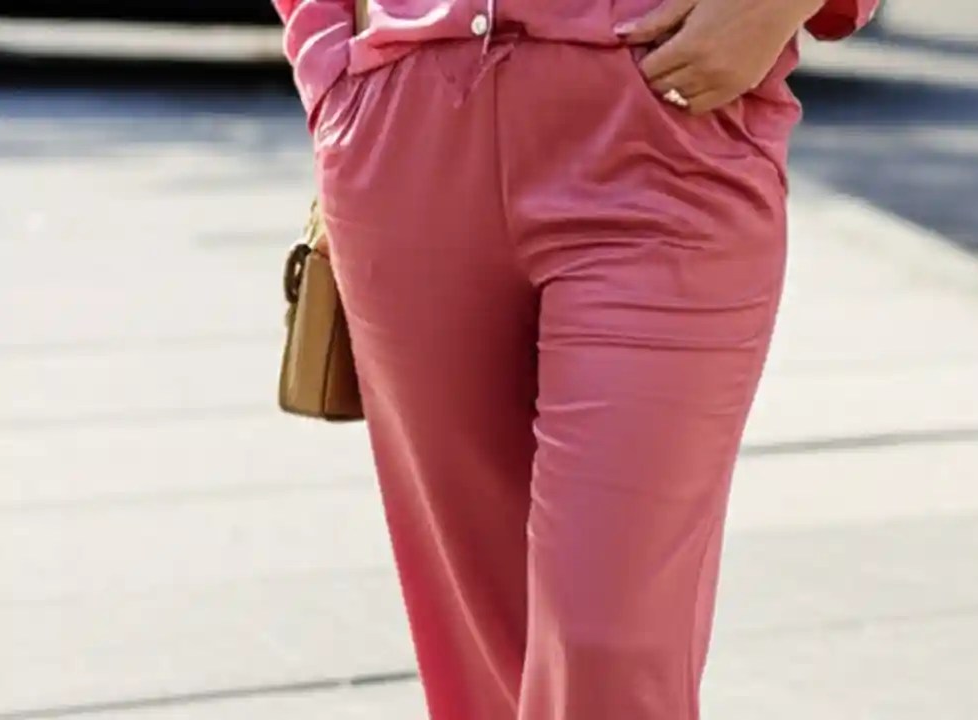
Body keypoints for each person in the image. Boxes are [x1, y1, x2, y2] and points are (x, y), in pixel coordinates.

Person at [272, 0, 878, 717]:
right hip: (405, 131)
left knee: (606, 644)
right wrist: (330, 72)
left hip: (661, 129)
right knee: (484, 664)